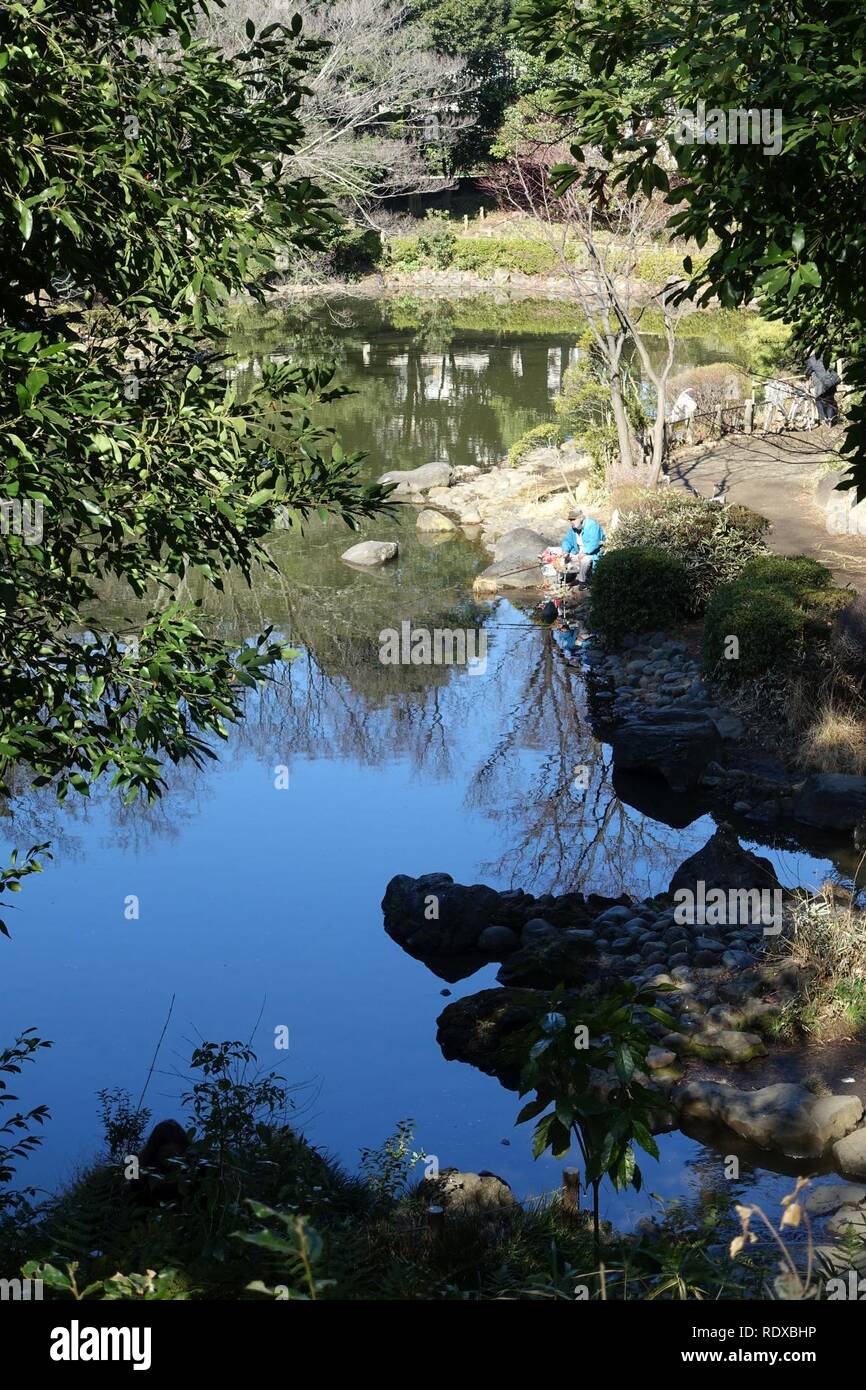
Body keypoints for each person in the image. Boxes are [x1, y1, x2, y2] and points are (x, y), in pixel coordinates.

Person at [561, 508, 605, 584]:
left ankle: (582, 582)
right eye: (570, 520)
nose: (571, 522)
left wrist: (585, 552)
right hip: (578, 552)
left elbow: (594, 542)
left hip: (593, 552)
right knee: (562, 556)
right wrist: (565, 551)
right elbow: (567, 541)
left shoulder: (592, 525)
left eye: (573, 519)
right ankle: (567, 578)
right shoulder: (573, 528)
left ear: (581, 518)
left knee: (585, 560)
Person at [805, 351, 840, 426]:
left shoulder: (812, 360)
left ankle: (825, 418)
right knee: (830, 400)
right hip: (832, 381)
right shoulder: (824, 355)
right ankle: (830, 419)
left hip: (824, 385)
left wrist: (810, 374)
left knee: (818, 400)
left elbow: (807, 372)